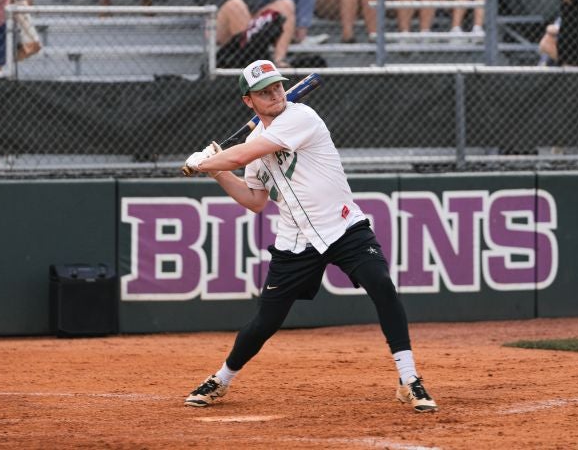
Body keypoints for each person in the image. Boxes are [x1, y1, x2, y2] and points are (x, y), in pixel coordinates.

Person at [181, 59, 438, 414]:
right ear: (248, 102)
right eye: (264, 91)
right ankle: (221, 380)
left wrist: (206, 162)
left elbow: (246, 152)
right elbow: (255, 201)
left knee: (380, 283)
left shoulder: (301, 116)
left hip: (342, 226)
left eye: (277, 86)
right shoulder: (253, 147)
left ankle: (409, 380)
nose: (274, 94)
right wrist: (216, 173)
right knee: (265, 322)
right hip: (296, 240)